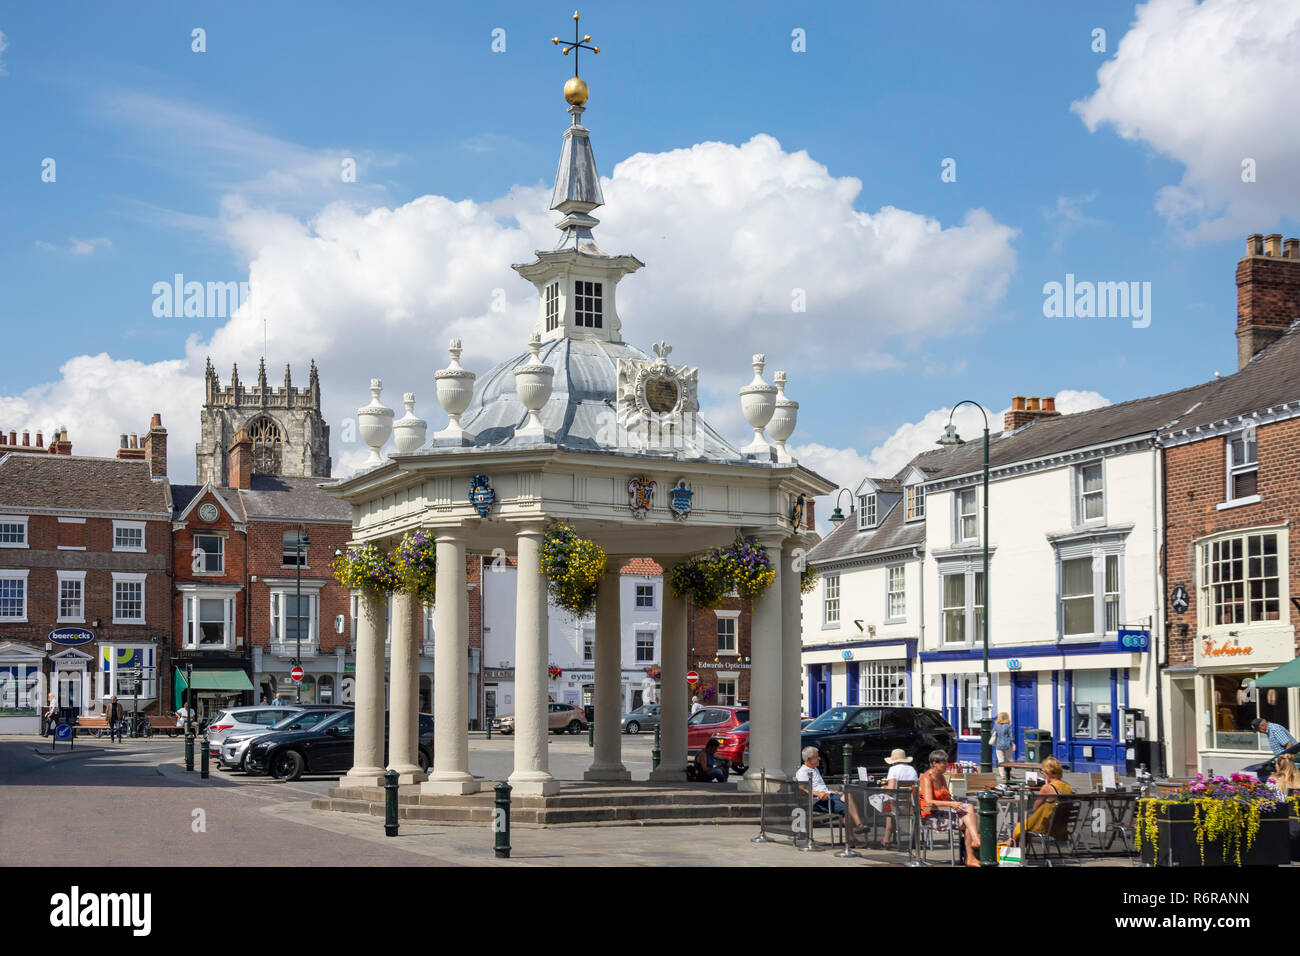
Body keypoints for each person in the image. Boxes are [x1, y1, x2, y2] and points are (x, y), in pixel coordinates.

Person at [918, 749, 982, 866]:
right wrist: (952, 805)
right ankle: (972, 852)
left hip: (943, 812)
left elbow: (946, 798)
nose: (946, 765)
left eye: (947, 762)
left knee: (969, 808)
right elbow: (928, 802)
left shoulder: (941, 776)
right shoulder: (926, 778)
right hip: (930, 816)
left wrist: (954, 804)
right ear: (934, 763)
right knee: (969, 821)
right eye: (944, 763)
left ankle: (974, 845)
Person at [794, 746, 865, 834]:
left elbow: (820, 787)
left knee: (848, 797)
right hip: (818, 801)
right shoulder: (802, 772)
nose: (819, 758)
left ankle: (854, 834)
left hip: (828, 795)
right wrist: (818, 794)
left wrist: (834, 792)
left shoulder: (815, 769)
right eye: (817, 757)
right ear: (809, 759)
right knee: (849, 808)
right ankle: (856, 830)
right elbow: (802, 791)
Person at [1012, 756, 1073, 843]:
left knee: (1019, 826)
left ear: (1048, 772)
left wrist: (1046, 784)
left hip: (1045, 825)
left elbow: (1035, 808)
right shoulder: (1067, 786)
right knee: (1023, 826)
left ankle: (1013, 850)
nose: (1043, 773)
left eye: (1043, 771)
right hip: (1061, 826)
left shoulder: (1047, 788)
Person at [879, 749, 918, 849]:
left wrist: (883, 789)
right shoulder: (912, 769)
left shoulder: (893, 770)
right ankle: (893, 835)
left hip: (897, 806)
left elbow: (891, 789)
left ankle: (886, 838)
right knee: (891, 803)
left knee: (887, 805)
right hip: (911, 806)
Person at [992, 712, 1015, 784]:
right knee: (1009, 760)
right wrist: (1013, 744)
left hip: (999, 745)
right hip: (1007, 745)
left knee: (1000, 761)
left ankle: (1002, 775)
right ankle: (1010, 772)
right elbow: (1011, 736)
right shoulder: (1008, 726)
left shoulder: (996, 725)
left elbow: (992, 732)